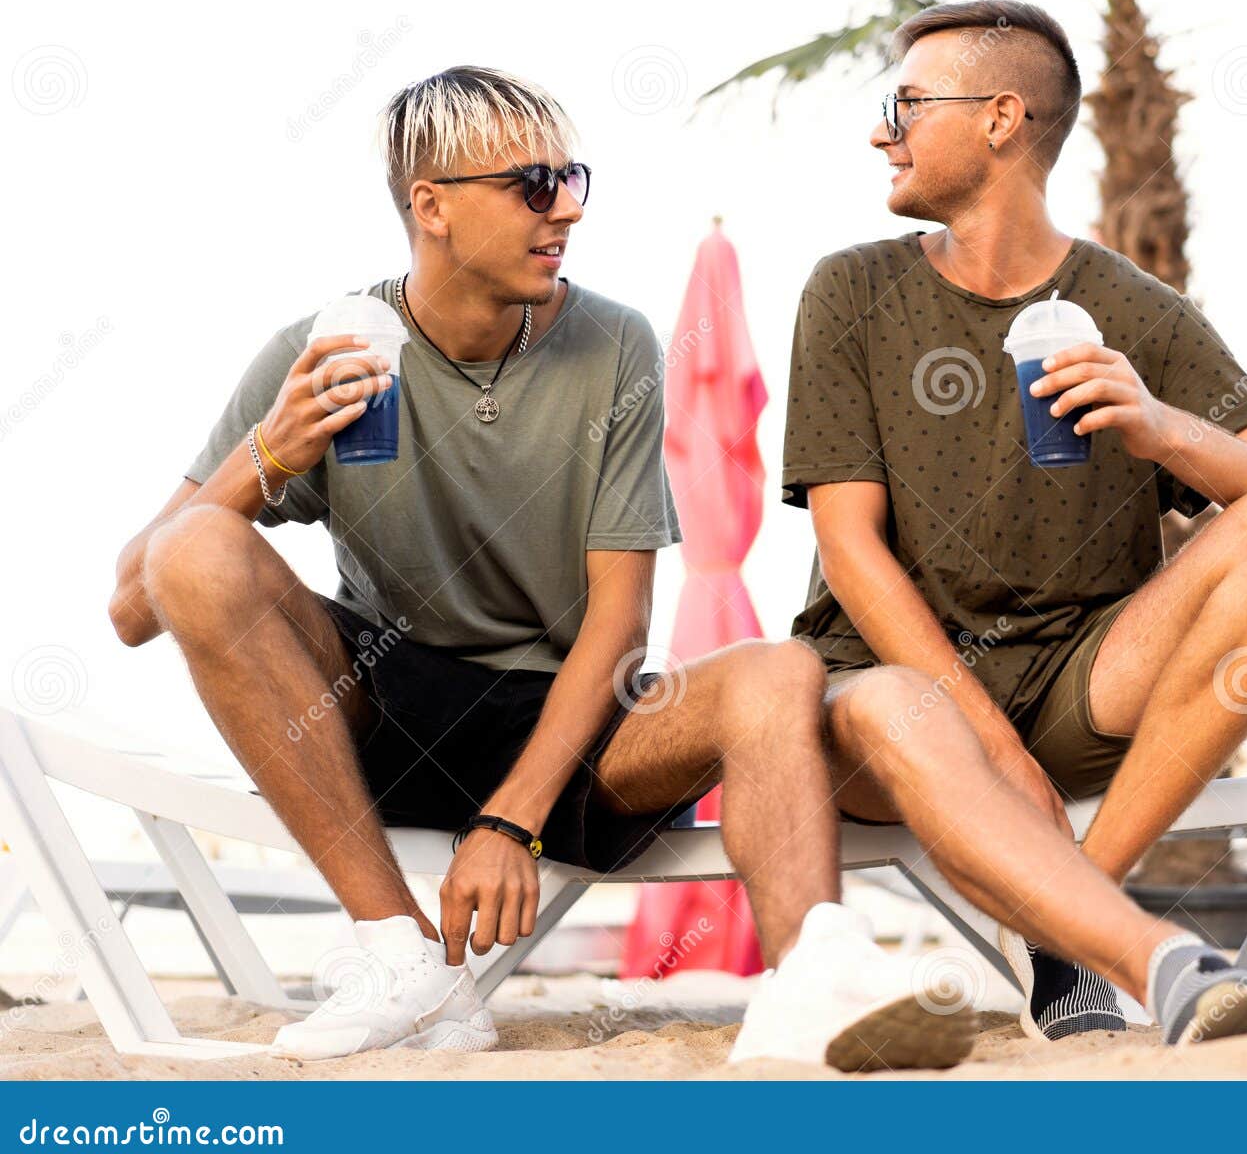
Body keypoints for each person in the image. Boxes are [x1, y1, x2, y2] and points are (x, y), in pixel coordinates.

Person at [109, 66, 975, 1071]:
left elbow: (620, 623)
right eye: (531, 185)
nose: (565, 208)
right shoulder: (325, 350)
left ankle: (808, 983)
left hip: (577, 727)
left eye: (571, 178)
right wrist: (266, 454)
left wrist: (510, 823)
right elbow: (137, 600)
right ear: (431, 206)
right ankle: (399, 957)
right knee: (199, 542)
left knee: (781, 669)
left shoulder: (614, 344)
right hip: (385, 711)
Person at [784, 1, 1247, 1043]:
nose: (880, 132)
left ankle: (1069, 926)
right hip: (887, 700)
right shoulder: (851, 290)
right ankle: (1101, 935)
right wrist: (995, 750)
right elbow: (847, 546)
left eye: (905, 106)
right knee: (892, 705)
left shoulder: (1138, 311)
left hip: (1080, 697)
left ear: (1000, 119)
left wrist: (1164, 428)